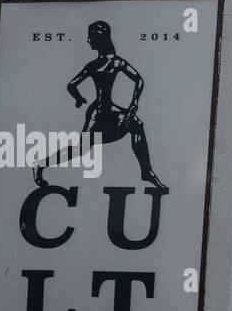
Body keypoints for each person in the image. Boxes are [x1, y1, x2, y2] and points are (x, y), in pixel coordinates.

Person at [31, 20, 168, 191]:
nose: (88, 41)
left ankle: (146, 171)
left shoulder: (113, 63)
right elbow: (71, 85)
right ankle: (41, 165)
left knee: (137, 125)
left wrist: (134, 103)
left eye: (91, 37)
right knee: (81, 149)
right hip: (97, 115)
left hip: (110, 111)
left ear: (100, 38)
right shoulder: (98, 65)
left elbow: (138, 80)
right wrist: (79, 98)